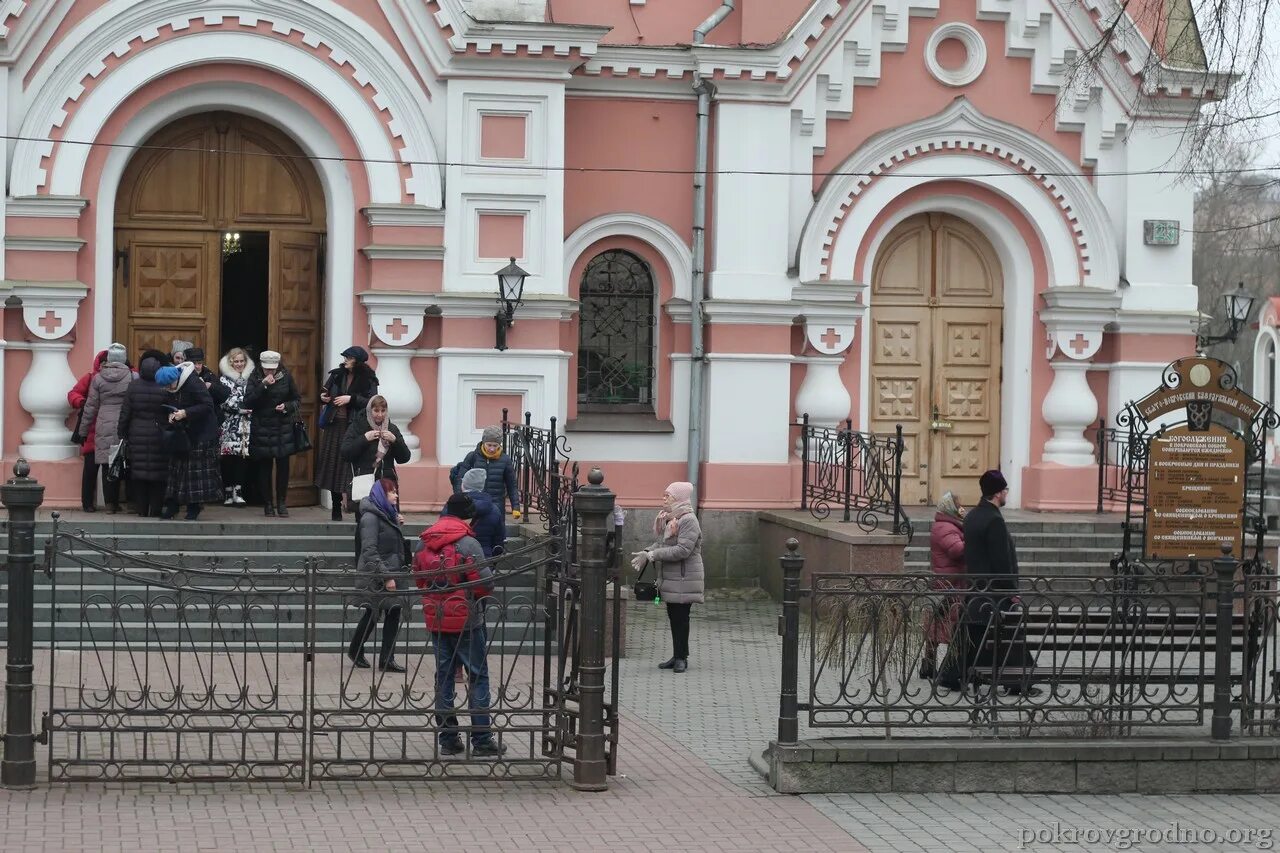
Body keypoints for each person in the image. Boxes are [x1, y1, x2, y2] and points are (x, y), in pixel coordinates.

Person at [414, 493, 505, 757]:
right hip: (469, 620)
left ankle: (448, 739)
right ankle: (482, 740)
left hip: (437, 618)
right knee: (477, 677)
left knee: (443, 678)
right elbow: (485, 583)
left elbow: (420, 581)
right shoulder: (468, 542)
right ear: (467, 515)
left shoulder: (424, 542)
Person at [946, 469, 1037, 694]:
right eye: (1005, 490)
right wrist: (1011, 590)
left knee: (972, 635)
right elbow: (1001, 560)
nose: (1006, 493)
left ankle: (951, 674)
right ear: (998, 493)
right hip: (995, 591)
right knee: (1011, 635)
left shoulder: (973, 516)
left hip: (977, 588)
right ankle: (1018, 682)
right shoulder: (994, 520)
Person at [632, 482, 704, 674]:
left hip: (684, 577)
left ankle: (682, 658)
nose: (664, 499)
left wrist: (654, 555)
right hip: (671, 578)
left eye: (668, 496)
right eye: (664, 495)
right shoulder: (669, 518)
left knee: (681, 617)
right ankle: (677, 655)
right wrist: (647, 552)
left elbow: (683, 550)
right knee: (674, 616)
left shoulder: (688, 520)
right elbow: (660, 543)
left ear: (679, 499)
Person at [347, 478, 408, 672]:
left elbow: (389, 544)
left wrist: (396, 524)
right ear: (382, 495)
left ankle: (385, 659)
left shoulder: (386, 514)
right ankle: (358, 650)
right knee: (373, 612)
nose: (396, 495)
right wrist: (387, 576)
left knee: (392, 611)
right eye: (392, 492)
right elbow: (369, 551)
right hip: (377, 575)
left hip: (390, 571)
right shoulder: (370, 518)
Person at [316, 346, 379, 521]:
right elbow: (324, 392)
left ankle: (355, 505)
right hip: (334, 424)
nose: (345, 360)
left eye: (348, 357)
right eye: (345, 357)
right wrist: (324, 397)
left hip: (355, 427)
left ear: (357, 361)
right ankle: (336, 506)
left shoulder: (369, 379)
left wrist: (351, 399)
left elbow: (372, 402)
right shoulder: (337, 374)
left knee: (353, 469)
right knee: (333, 467)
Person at [155, 362, 221, 520]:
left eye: (169, 385)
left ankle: (194, 507)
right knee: (176, 471)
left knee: (195, 474)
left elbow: (207, 405)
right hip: (182, 434)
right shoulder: (172, 386)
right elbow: (169, 405)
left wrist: (185, 413)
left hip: (201, 434)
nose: (168, 389)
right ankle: (173, 505)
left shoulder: (193, 383)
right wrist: (170, 416)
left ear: (175, 379)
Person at [74, 343, 134, 515]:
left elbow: (90, 407)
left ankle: (98, 505)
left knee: (99, 464)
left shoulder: (98, 378)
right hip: (123, 423)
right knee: (113, 465)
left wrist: (82, 431)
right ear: (123, 359)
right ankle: (112, 503)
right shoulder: (131, 376)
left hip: (102, 423)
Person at [244, 350, 302, 517]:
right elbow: (247, 401)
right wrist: (263, 385)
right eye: (267, 369)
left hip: (282, 427)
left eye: (273, 369)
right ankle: (268, 504)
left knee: (283, 467)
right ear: (261, 367)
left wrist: (287, 407)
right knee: (264, 467)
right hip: (261, 427)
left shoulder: (286, 376)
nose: (270, 372)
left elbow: (296, 399)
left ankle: (282, 503)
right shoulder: (255, 377)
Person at [118, 351, 173, 517]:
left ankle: (141, 510)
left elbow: (125, 413)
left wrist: (122, 433)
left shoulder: (133, 386)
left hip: (137, 433)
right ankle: (155, 510)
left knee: (139, 473)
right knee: (159, 474)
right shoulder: (165, 387)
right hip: (160, 434)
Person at [922, 491, 967, 681]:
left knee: (938, 625)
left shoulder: (946, 525)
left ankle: (930, 665)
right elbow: (958, 550)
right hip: (950, 585)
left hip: (947, 582)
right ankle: (948, 666)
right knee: (950, 626)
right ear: (951, 507)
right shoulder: (946, 528)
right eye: (959, 505)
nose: (962, 508)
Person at [448, 425, 521, 520]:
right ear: (483, 442)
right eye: (489, 445)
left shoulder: (505, 460)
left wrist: (515, 507)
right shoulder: (472, 457)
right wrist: (460, 499)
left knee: (497, 531)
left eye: (495, 445)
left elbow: (512, 484)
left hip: (497, 504)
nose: (492, 449)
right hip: (476, 503)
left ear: (500, 444)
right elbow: (460, 479)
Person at [68, 349, 108, 512]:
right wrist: (82, 402)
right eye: (103, 364)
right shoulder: (90, 378)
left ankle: (111, 503)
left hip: (108, 431)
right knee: (90, 470)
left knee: (109, 471)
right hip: (91, 430)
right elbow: (73, 394)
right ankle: (87, 503)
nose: (106, 367)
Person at [341, 394, 410, 484]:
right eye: (376, 411)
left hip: (387, 484)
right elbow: (345, 453)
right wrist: (364, 439)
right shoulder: (357, 426)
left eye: (383, 411)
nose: (380, 415)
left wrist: (394, 441)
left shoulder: (392, 429)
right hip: (364, 481)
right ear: (369, 410)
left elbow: (404, 458)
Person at [217, 347, 255, 506]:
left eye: (242, 361)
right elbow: (224, 400)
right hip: (228, 426)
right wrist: (240, 407)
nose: (239, 364)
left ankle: (238, 491)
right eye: (236, 361)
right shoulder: (223, 380)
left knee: (242, 458)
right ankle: (227, 491)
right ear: (230, 362)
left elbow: (254, 396)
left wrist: (247, 403)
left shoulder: (251, 379)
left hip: (245, 425)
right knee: (227, 459)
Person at [442, 467, 505, 557]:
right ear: (482, 487)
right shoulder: (494, 510)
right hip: (483, 559)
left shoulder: (451, 506)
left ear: (463, 485)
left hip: (454, 558)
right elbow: (499, 541)